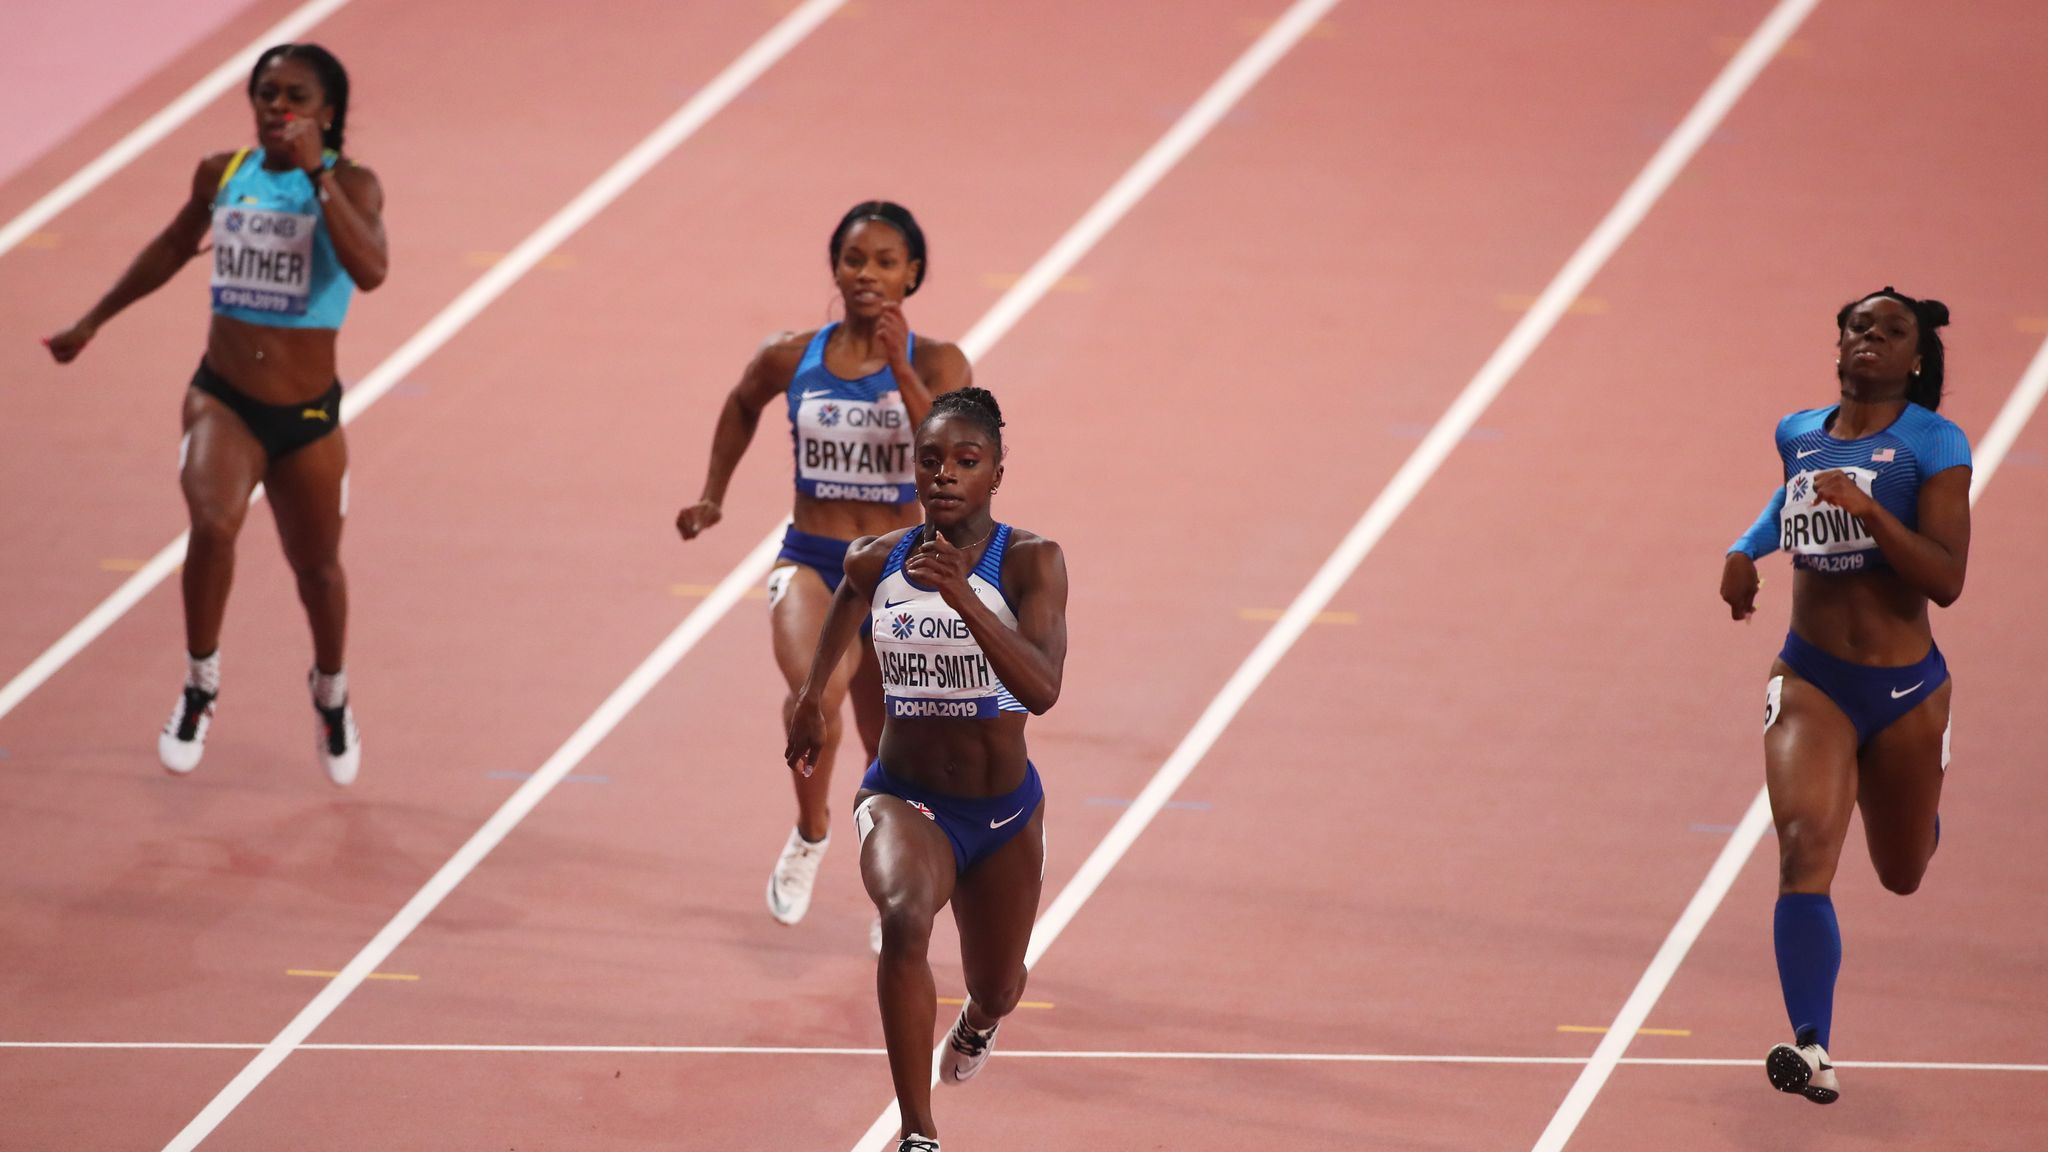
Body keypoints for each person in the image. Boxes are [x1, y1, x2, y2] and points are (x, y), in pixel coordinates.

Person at [45, 43, 387, 785]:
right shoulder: (223, 174)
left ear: (327, 114)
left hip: (307, 418)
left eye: (295, 95)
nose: (277, 107)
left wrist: (318, 175)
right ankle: (201, 683)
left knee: (319, 572)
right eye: (266, 93)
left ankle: (331, 691)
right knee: (213, 522)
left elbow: (372, 271)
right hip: (222, 397)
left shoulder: (354, 184)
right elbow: (173, 245)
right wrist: (93, 320)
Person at [677, 201, 970, 928]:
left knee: (895, 747)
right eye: (854, 260)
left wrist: (899, 366)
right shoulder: (791, 354)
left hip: (903, 572)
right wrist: (713, 495)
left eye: (884, 262)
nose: (867, 274)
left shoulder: (939, 361)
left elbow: (955, 451)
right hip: (813, 558)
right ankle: (811, 833)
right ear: (835, 268)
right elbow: (742, 404)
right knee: (815, 695)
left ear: (913, 274)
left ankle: (898, 880)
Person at [787, 388, 1066, 1152]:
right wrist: (814, 698)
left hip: (1003, 812)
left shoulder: (1032, 562)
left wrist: (963, 600)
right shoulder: (881, 559)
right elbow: (848, 590)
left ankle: (978, 1023)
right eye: (931, 460)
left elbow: (1043, 690)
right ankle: (918, 1133)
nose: (945, 475)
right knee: (905, 919)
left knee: (999, 986)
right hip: (904, 798)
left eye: (966, 462)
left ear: (997, 472)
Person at [1720, 287, 1971, 1105]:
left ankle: (1917, 808)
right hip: (1811, 679)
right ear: (1838, 347)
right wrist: (1745, 549)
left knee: (1901, 872)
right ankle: (1812, 1044)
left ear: (1916, 357)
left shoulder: (1934, 444)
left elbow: (1947, 578)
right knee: (1803, 848)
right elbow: (1790, 498)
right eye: (1859, 327)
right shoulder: (1799, 432)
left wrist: (1871, 514)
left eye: (1892, 331)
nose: (1872, 339)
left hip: (1904, 689)